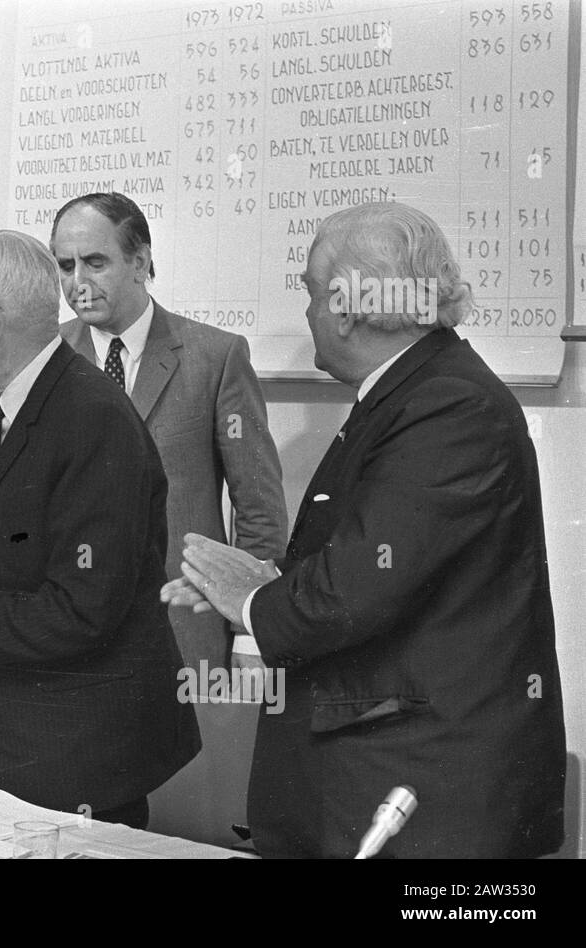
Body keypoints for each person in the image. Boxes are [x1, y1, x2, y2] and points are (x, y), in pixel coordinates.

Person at [163, 202, 567, 857]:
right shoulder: (416, 392)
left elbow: (359, 589)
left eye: (311, 293)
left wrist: (251, 599)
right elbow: (376, 560)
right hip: (390, 781)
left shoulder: (448, 406)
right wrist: (269, 581)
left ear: (348, 306)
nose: (307, 314)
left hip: (420, 799)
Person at [0, 230, 199, 827]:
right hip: (23, 748)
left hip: (72, 761)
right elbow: (38, 554)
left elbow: (83, 607)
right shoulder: (29, 403)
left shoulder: (90, 416)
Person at [0, 192, 285, 674]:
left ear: (140, 262)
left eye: (95, 262)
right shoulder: (44, 349)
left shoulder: (215, 356)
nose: (77, 283)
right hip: (67, 631)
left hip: (181, 627)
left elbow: (258, 506)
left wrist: (250, 630)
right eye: (65, 266)